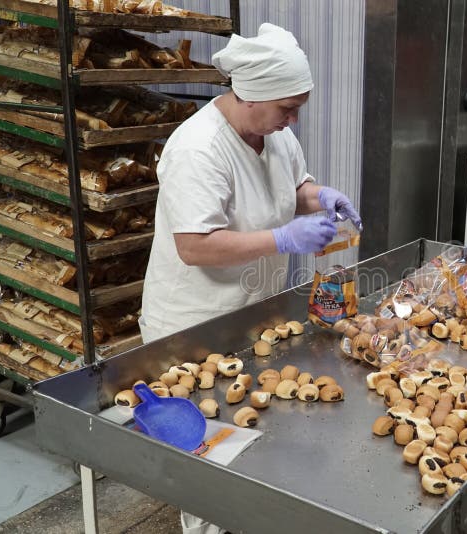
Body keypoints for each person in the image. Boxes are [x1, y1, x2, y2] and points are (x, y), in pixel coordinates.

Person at [139, 23, 361, 534]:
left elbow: (295, 187)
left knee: (252, 438)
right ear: (251, 96)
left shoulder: (275, 135)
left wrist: (321, 196)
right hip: (193, 326)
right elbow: (194, 246)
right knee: (207, 464)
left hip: (253, 312)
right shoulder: (197, 149)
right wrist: (284, 239)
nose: (294, 118)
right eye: (288, 107)